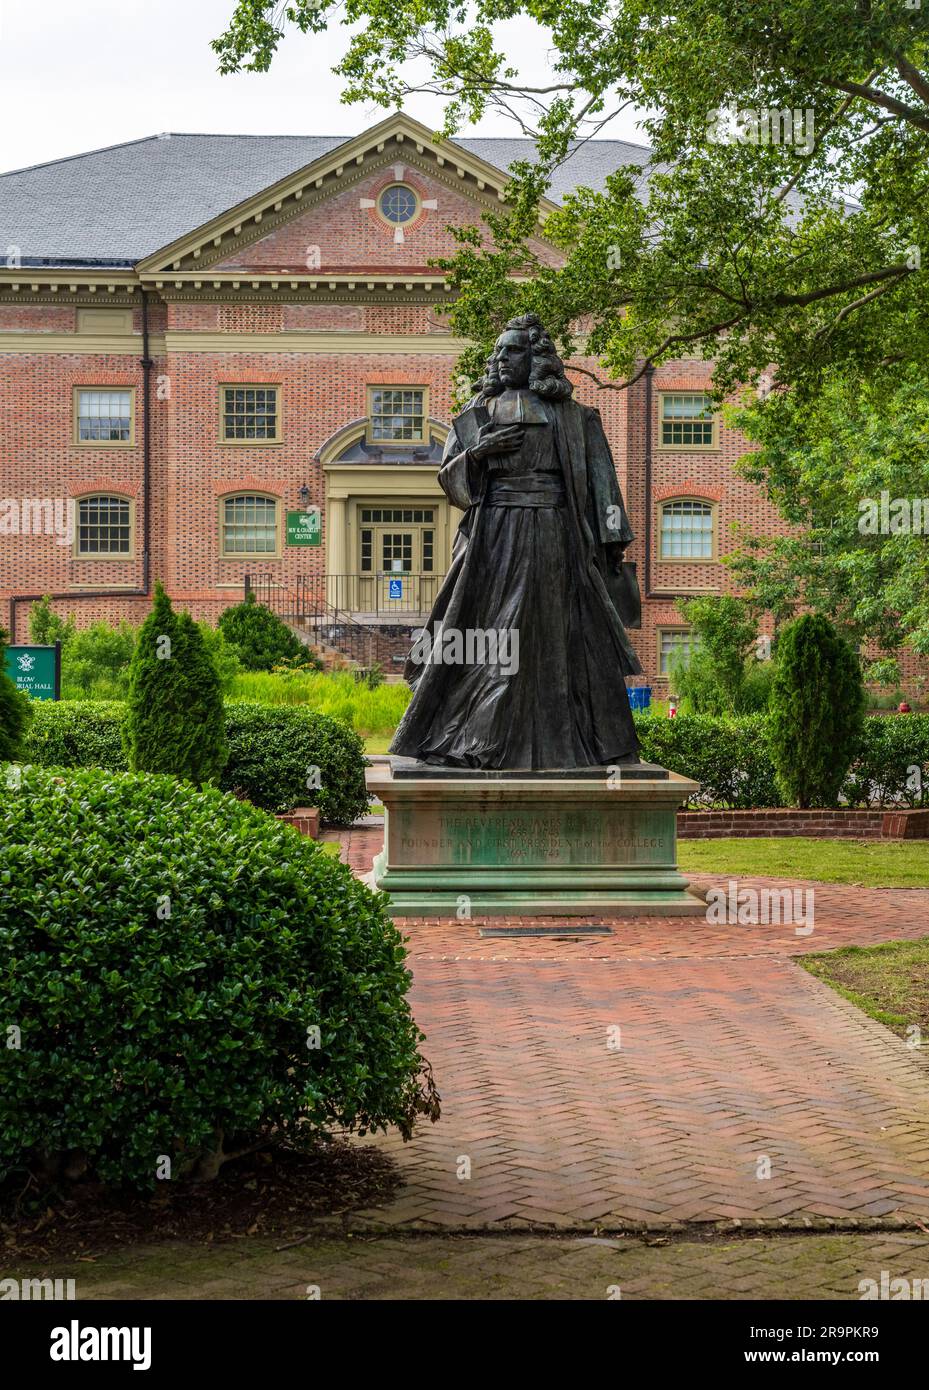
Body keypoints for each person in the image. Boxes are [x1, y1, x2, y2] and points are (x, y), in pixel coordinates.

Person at [389, 312, 642, 768]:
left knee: (556, 636)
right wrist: (477, 453)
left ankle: (567, 742)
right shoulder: (476, 414)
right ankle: (476, 733)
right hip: (493, 539)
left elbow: (604, 485)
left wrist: (611, 541)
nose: (503, 358)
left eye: (514, 351)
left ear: (536, 358)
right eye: (499, 351)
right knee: (485, 634)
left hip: (556, 535)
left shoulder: (576, 417)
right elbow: (449, 482)